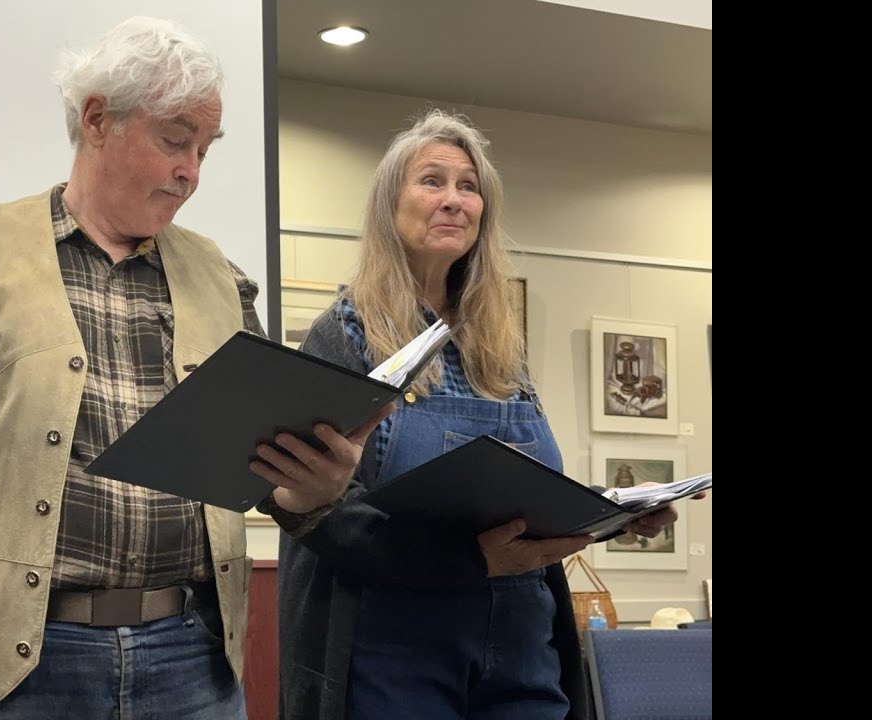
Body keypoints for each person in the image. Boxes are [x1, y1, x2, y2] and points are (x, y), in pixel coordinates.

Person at [0, 17, 381, 720]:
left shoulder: (223, 280)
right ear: (98, 119)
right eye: (174, 140)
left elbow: (264, 475)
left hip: (192, 661)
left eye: (204, 148)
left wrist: (316, 487)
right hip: (21, 667)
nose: (191, 171)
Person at [264, 110, 689, 720]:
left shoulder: (499, 347)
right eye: (432, 181)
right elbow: (323, 515)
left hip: (521, 638)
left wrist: (609, 511)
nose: (454, 200)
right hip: (396, 642)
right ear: (390, 205)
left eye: (469, 187)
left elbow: (524, 495)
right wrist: (472, 561)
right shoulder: (346, 335)